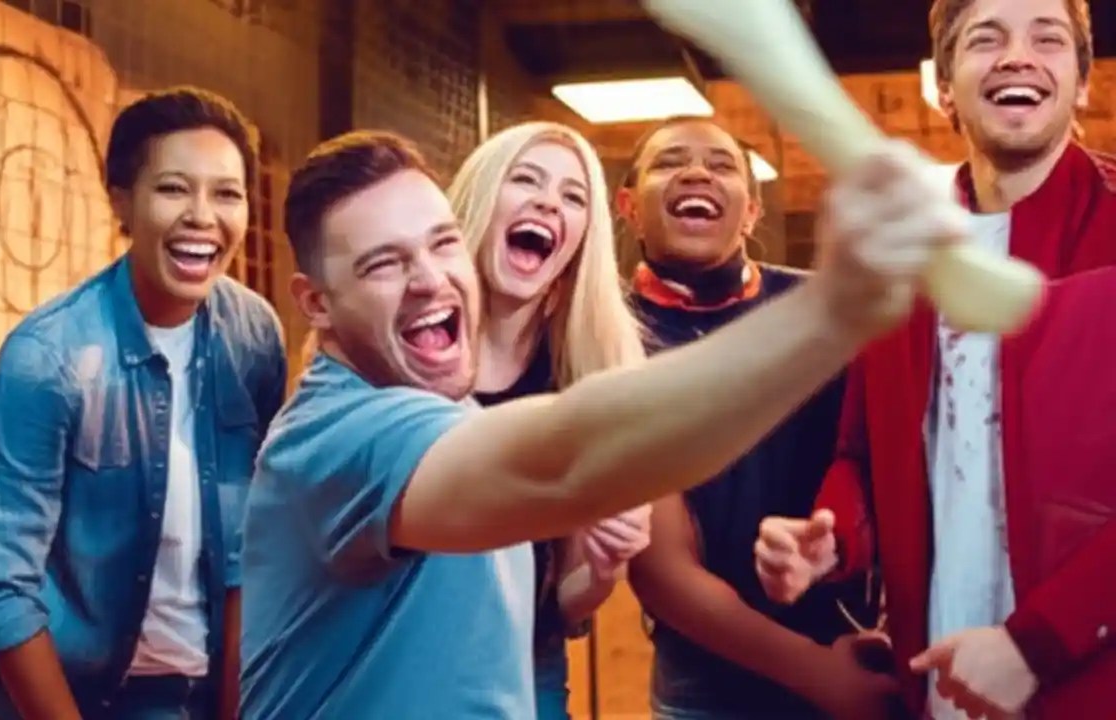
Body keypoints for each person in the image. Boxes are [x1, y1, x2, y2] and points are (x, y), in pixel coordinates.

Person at [236, 125, 965, 719]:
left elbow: (526, 611)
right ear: (318, 303)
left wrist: (593, 570)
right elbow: (567, 459)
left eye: (439, 243)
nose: (430, 277)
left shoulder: (448, 395)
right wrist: (833, 308)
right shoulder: (344, 434)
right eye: (383, 264)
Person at [754, 1, 1116, 717]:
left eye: (1048, 39)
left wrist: (1036, 643)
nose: (1018, 56)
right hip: (941, 681)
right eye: (986, 39)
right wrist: (830, 536)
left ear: (1081, 85)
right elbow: (861, 453)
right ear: (943, 85)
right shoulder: (902, 256)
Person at [0, 87, 288, 720]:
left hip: (195, 695)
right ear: (122, 203)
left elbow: (255, 545)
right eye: (172, 189)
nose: (202, 215)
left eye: (226, 193)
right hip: (60, 699)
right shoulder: (46, 357)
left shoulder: (254, 337)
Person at [618, 116, 895, 720]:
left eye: (721, 165)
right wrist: (818, 675)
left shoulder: (827, 312)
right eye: (670, 163)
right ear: (629, 205)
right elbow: (661, 571)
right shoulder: (607, 336)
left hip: (852, 651)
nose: (696, 172)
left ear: (751, 211)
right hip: (708, 687)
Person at [448, 121, 651, 720]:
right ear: (480, 198)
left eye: (573, 195)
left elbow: (565, 606)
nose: (547, 201)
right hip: (402, 661)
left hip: (524, 667)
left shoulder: (586, 372)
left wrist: (605, 565)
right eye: (526, 179)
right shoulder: (411, 343)